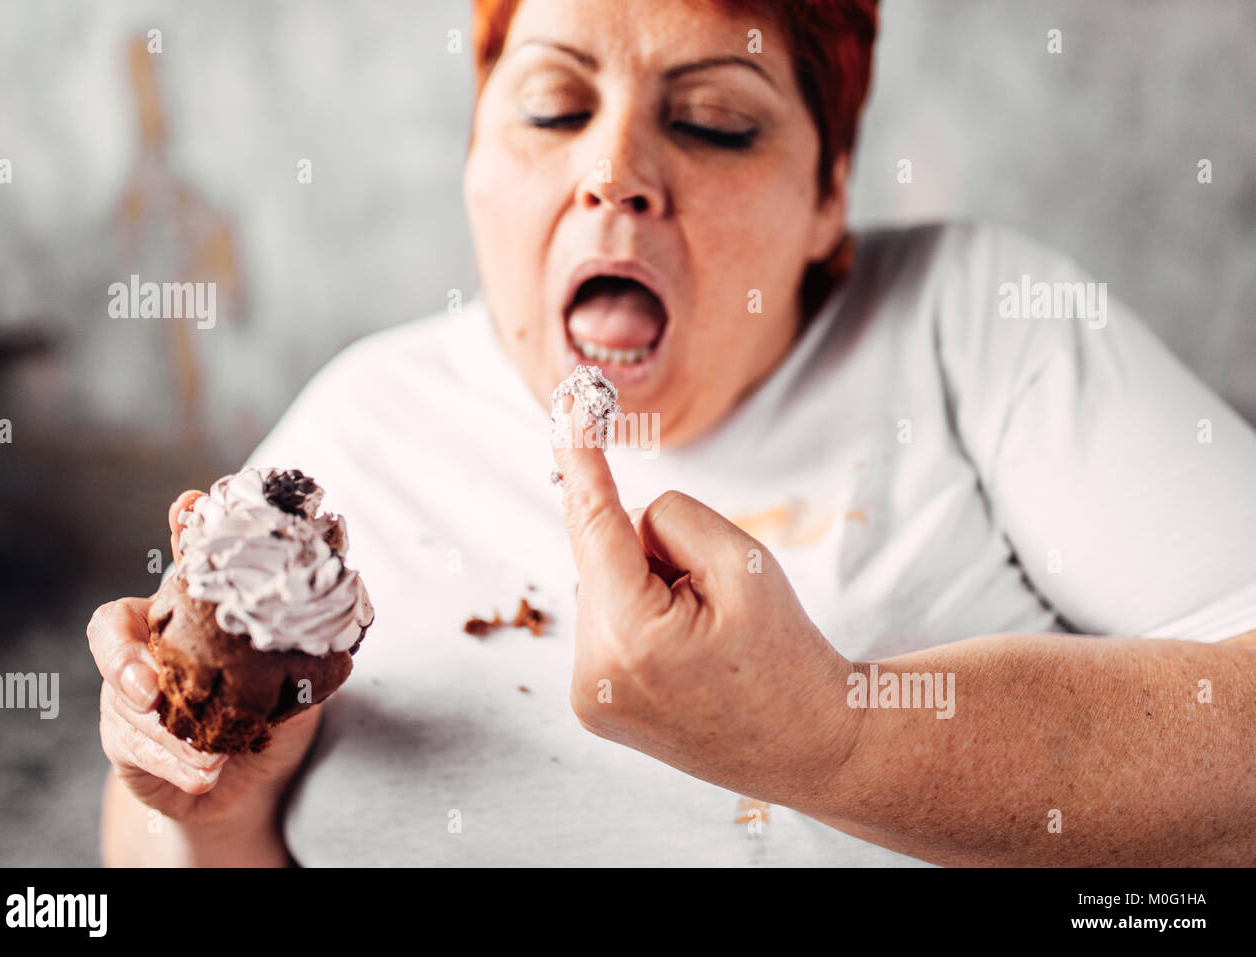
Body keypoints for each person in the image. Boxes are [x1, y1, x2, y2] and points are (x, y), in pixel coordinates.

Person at [88, 0, 1256, 866]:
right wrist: (219, 805)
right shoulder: (359, 421)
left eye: (712, 122)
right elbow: (149, 849)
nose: (615, 172)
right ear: (473, 157)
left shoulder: (976, 322)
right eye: (553, 108)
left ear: (828, 193)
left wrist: (837, 742)